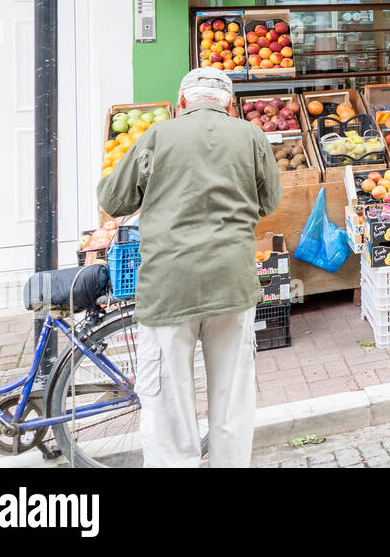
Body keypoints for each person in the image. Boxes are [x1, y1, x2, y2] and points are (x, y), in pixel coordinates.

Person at [97, 67, 282, 468]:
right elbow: (269, 203)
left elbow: (113, 200)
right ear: (229, 105)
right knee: (231, 402)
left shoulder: (157, 135)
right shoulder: (251, 135)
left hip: (169, 289)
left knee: (168, 408)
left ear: (181, 103)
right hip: (232, 283)